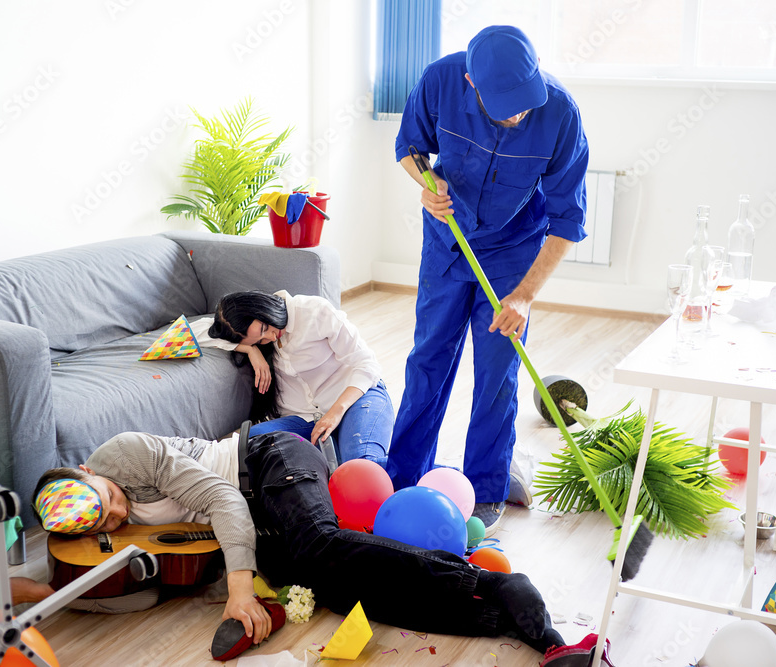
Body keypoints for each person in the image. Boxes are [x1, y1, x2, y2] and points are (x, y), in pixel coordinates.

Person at [31, 429, 568, 659]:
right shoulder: (88, 523)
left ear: (87, 471)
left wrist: (241, 589)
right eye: (104, 522)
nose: (118, 513)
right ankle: (495, 618)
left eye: (109, 498)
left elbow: (222, 499)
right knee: (336, 589)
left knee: (316, 545)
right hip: (260, 520)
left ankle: (490, 581)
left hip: (268, 461)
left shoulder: (122, 455)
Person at [387, 25, 590, 535]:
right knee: (428, 358)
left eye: (525, 101)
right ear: (472, 81)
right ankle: (401, 478)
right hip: (448, 241)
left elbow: (568, 221)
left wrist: (523, 297)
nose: (520, 113)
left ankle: (485, 488)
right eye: (506, 104)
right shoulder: (440, 80)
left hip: (514, 253)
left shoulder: (561, 113)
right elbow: (411, 147)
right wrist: (427, 183)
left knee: (498, 374)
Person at [191, 290, 393, 467]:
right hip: (304, 418)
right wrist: (250, 348)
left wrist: (335, 413)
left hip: (354, 400)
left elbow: (368, 364)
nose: (269, 338)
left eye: (264, 329)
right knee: (245, 445)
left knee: (360, 466)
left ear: (263, 309)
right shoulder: (251, 334)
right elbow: (192, 331)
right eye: (260, 340)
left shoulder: (315, 311)